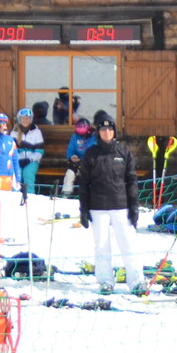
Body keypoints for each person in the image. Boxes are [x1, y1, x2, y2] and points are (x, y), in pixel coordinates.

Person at [75, 113, 142, 295]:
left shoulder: (123, 151)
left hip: (121, 205)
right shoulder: (91, 153)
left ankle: (136, 281)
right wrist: (84, 209)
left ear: (114, 132)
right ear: (98, 132)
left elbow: (131, 179)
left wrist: (134, 206)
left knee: (128, 244)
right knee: (102, 245)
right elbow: (84, 183)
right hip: (98, 207)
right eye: (103, 129)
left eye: (110, 129)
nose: (107, 132)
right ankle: (105, 281)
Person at [14, 107, 45, 198]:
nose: (25, 120)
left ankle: (30, 197)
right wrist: (18, 159)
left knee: (27, 173)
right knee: (17, 173)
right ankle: (14, 196)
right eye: (23, 118)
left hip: (32, 161)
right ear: (20, 119)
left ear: (30, 119)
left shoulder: (36, 132)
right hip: (18, 160)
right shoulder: (14, 132)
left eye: (27, 118)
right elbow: (12, 150)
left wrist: (29, 159)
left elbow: (39, 151)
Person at [60, 117, 93, 197]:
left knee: (89, 176)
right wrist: (72, 156)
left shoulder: (94, 138)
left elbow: (94, 152)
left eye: (84, 134)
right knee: (70, 174)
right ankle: (66, 193)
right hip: (76, 164)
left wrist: (84, 159)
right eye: (80, 134)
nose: (82, 136)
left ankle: (88, 196)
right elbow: (70, 150)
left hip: (90, 164)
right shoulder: (75, 137)